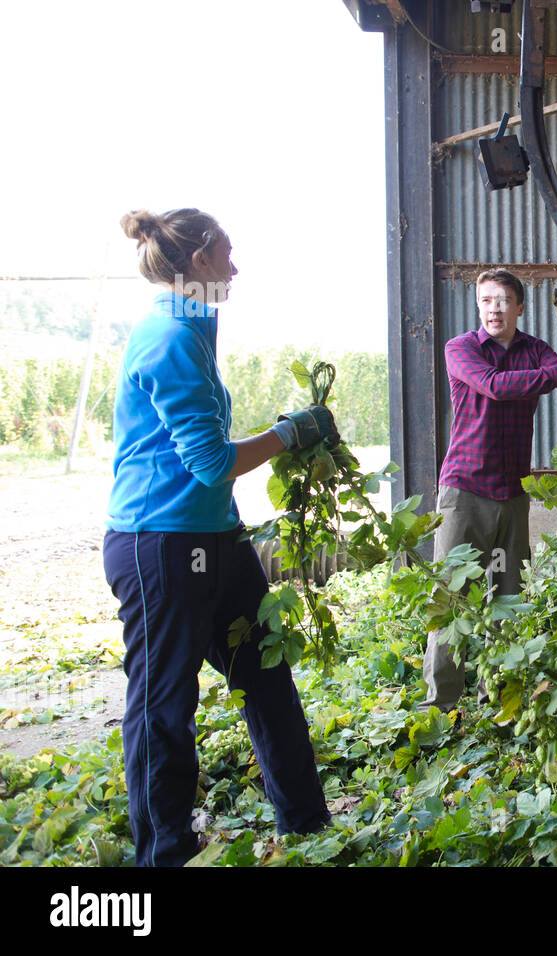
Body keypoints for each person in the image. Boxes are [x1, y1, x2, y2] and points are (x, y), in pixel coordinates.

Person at [103, 207, 336, 866]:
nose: (234, 267)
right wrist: (291, 432)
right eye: (226, 254)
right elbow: (211, 463)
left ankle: (308, 827)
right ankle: (164, 856)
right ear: (198, 259)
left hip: (214, 535)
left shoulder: (193, 327)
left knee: (265, 675)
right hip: (161, 545)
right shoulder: (169, 338)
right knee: (163, 707)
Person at [422, 268, 557, 713]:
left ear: (519, 307)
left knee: (507, 597)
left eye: (503, 300)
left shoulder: (533, 350)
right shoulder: (461, 349)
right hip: (464, 491)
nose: (494, 309)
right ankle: (442, 703)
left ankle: (498, 694)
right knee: (452, 598)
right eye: (486, 300)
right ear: (478, 307)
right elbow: (495, 387)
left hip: (512, 493)